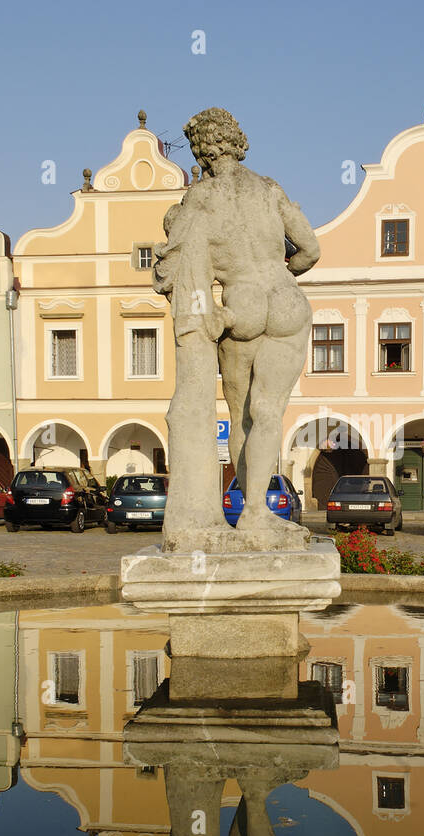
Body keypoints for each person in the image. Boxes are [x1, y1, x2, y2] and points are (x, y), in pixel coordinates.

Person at [152, 106, 320, 543]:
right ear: (237, 142)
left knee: (241, 414)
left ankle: (252, 510)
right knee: (268, 413)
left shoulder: (201, 198)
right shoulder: (268, 189)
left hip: (239, 308)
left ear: (200, 151)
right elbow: (310, 249)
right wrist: (282, 270)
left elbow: (175, 261)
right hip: (285, 300)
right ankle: (257, 515)